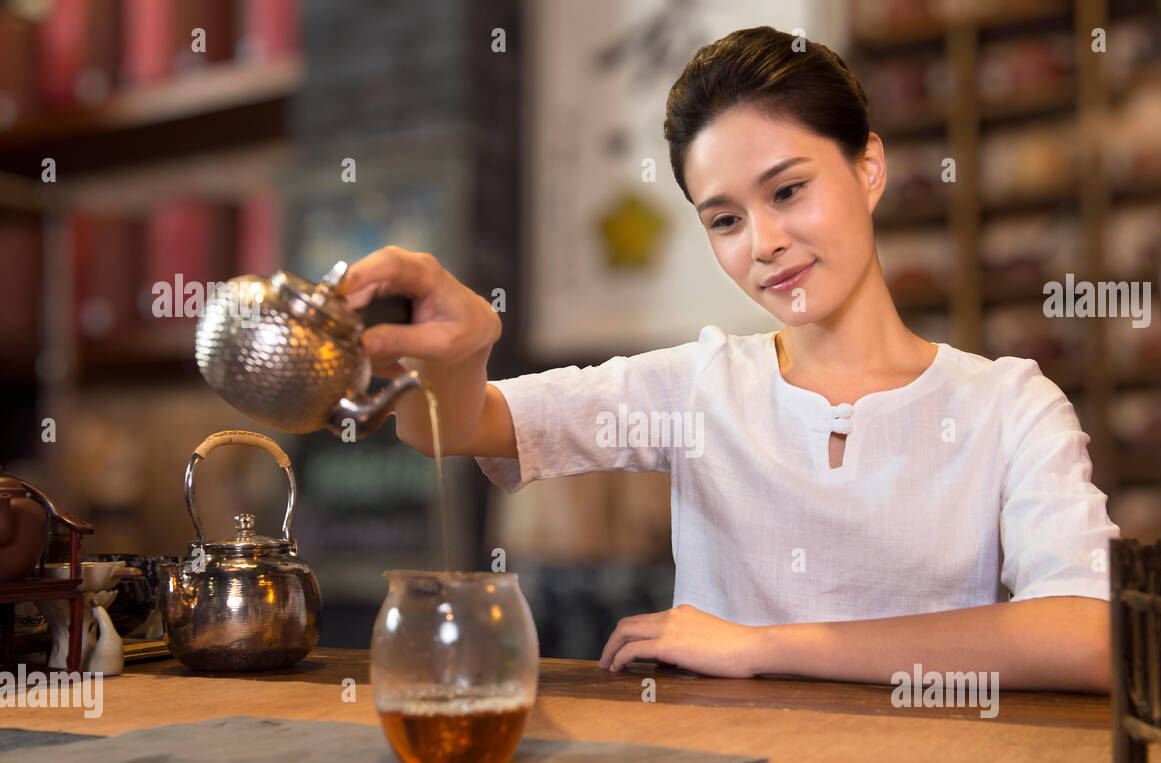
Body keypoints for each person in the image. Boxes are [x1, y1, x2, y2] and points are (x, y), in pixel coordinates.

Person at [340, 26, 1120, 692]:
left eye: (787, 191)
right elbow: (456, 425)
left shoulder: (1010, 405)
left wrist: (761, 646)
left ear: (868, 168)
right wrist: (455, 349)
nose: (764, 244)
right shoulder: (701, 386)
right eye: (724, 219)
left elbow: (1089, 637)